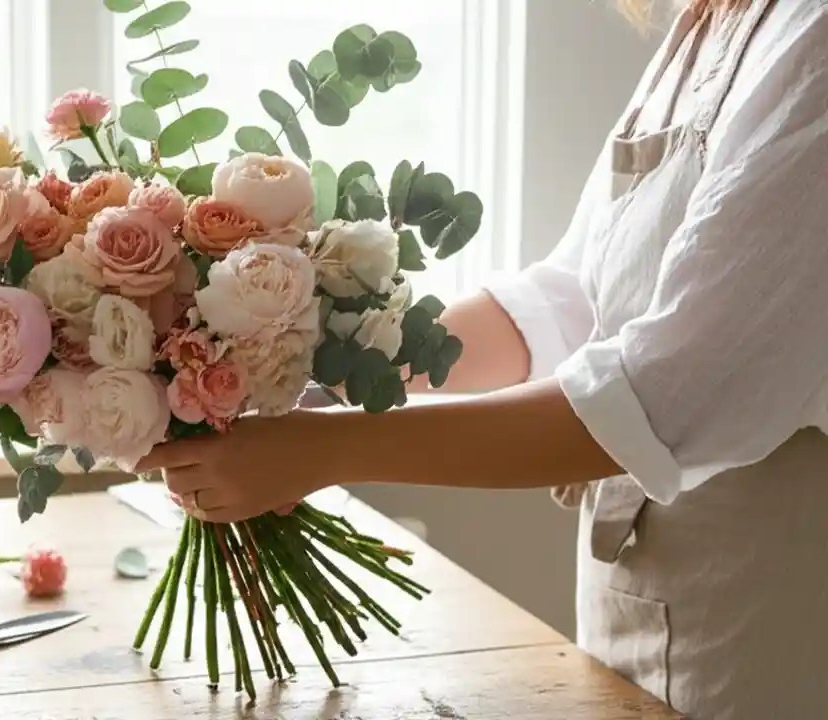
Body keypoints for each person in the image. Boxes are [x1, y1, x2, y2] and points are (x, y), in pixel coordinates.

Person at [136, 0, 827, 717]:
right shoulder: (711, 20)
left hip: (759, 619)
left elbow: (663, 393)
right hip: (645, 597)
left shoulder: (815, 40)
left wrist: (324, 449)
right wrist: (326, 370)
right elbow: (576, 298)